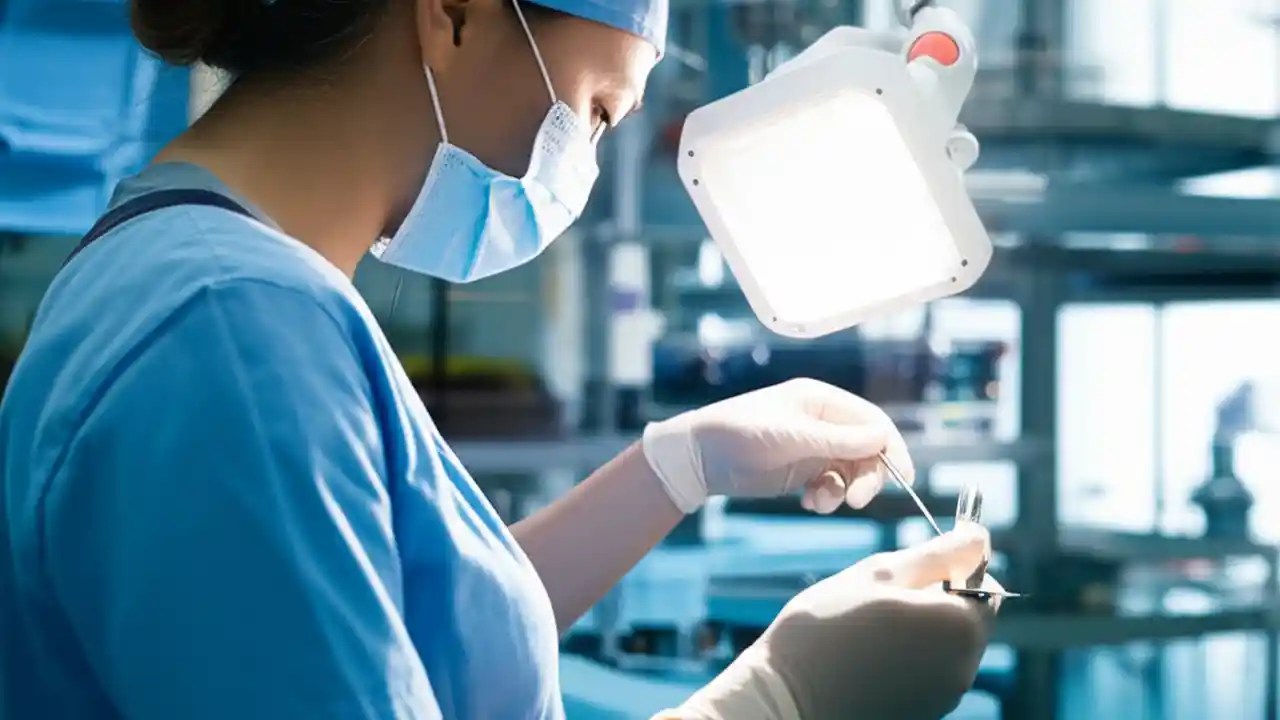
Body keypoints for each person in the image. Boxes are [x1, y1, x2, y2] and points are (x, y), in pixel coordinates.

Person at [0, 0, 999, 717]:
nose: (583, 163)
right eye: (596, 110)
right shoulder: (227, 328)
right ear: (455, 16)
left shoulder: (209, 285)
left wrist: (674, 468)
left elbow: (414, 627)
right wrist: (777, 701)